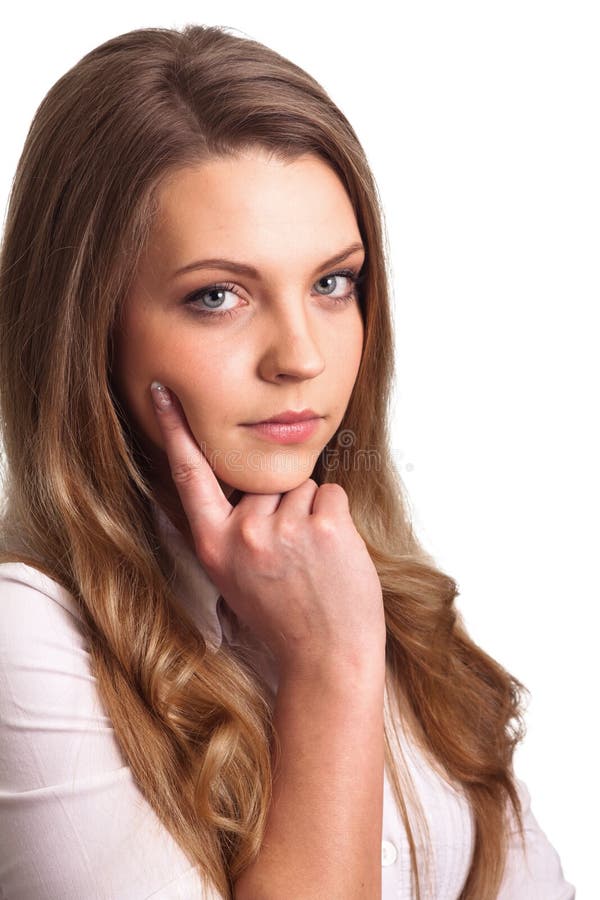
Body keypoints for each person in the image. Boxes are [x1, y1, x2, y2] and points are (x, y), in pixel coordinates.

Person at [0, 23, 575, 900]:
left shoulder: (366, 588)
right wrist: (330, 671)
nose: (300, 356)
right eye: (218, 296)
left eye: (332, 282)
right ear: (89, 329)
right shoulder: (25, 636)